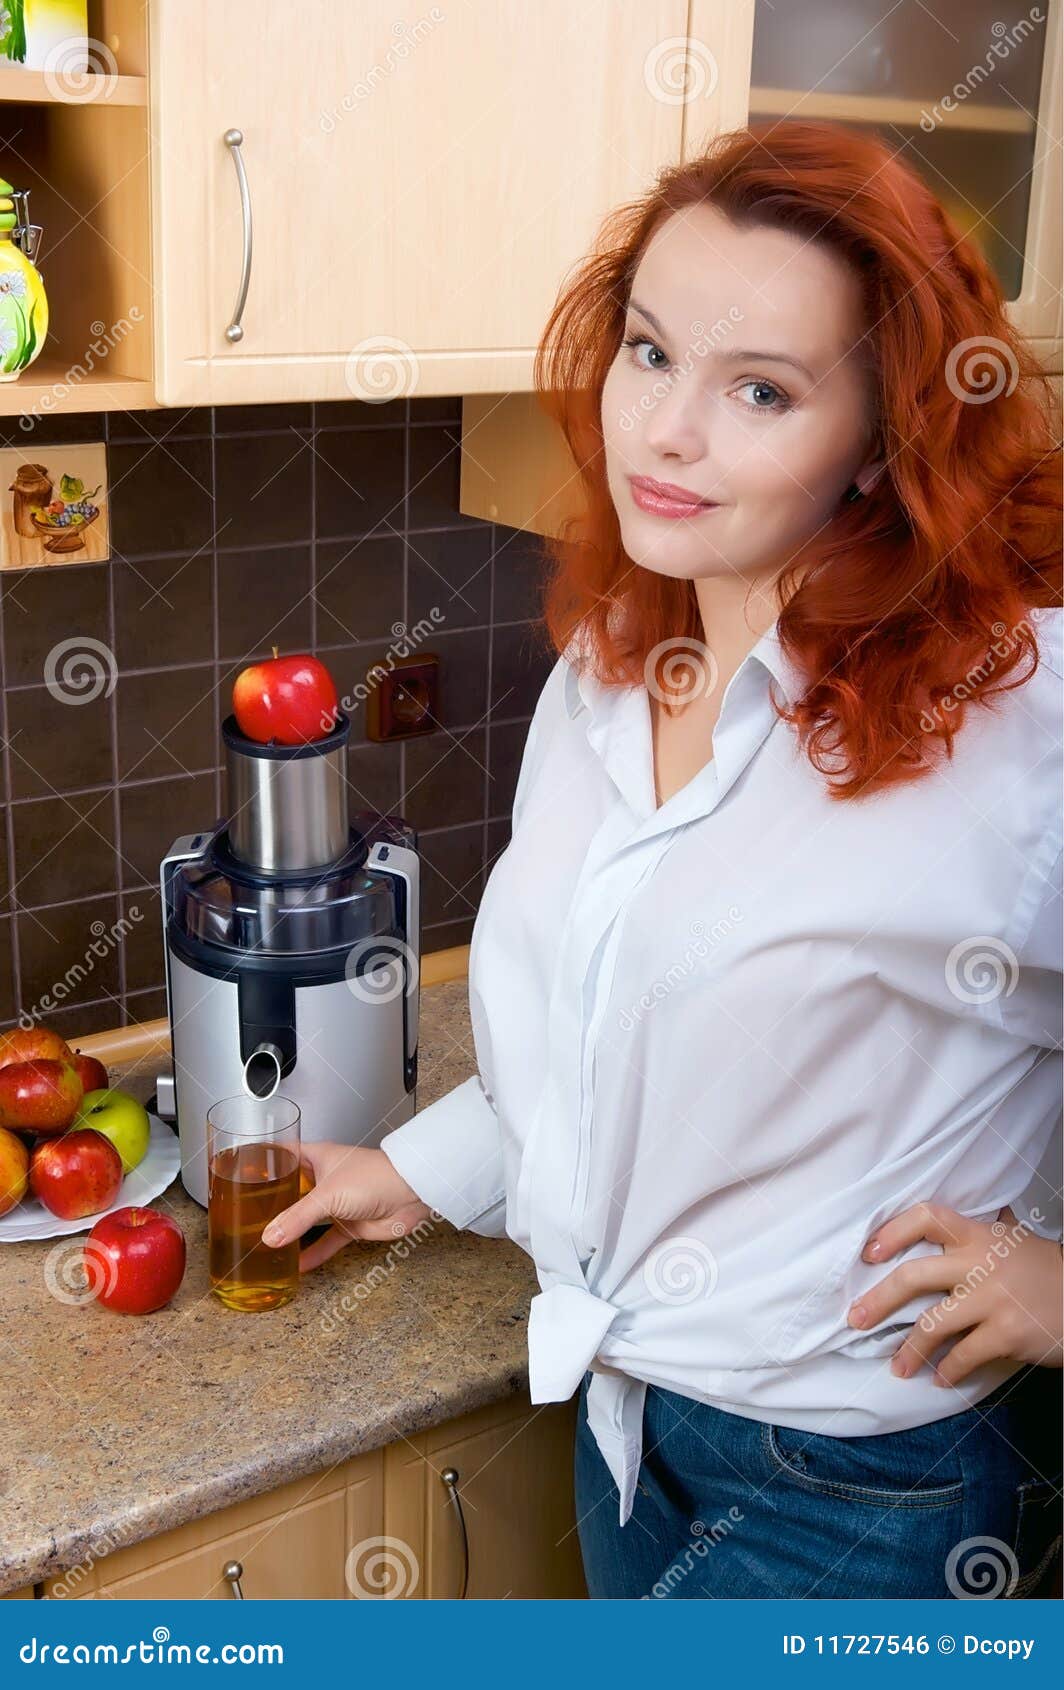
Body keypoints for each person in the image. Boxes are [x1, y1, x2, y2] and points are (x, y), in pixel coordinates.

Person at [261, 121, 1063, 1600]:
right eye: (648, 352)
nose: (667, 431)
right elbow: (612, 1040)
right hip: (627, 1429)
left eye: (759, 388)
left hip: (858, 1494)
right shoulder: (616, 670)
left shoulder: (1021, 723)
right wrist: (417, 1176)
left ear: (885, 438)